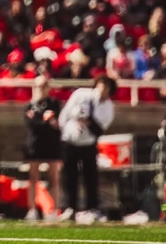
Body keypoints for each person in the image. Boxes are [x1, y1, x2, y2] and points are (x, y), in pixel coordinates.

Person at [58, 75, 116, 222]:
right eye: (101, 85)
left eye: (106, 87)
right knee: (69, 177)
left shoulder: (108, 107)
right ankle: (71, 207)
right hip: (70, 141)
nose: (102, 90)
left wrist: (88, 121)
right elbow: (65, 114)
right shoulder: (80, 94)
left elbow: (100, 129)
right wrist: (65, 131)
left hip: (88, 143)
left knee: (90, 177)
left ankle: (92, 208)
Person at [23, 75, 63, 221]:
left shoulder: (54, 104)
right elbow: (31, 124)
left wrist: (40, 121)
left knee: (54, 178)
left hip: (52, 144)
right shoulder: (30, 105)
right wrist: (45, 122)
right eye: (38, 86)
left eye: (43, 85)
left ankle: (54, 211)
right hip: (35, 145)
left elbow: (56, 124)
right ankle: (32, 210)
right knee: (33, 177)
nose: (40, 89)